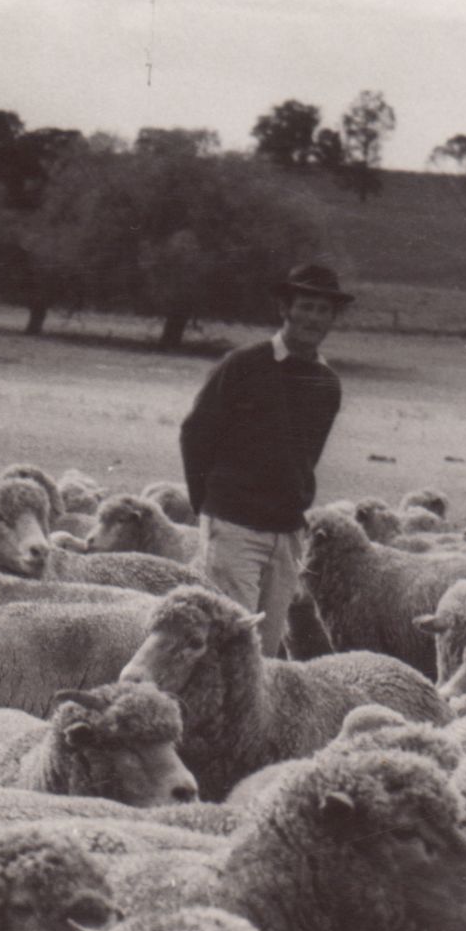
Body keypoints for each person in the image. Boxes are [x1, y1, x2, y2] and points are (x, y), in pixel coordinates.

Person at [178, 262, 349, 657]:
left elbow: (307, 455)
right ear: (285, 308)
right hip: (234, 525)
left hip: (287, 532)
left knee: (267, 650)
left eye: (324, 310)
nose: (314, 318)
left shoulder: (327, 384)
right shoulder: (243, 365)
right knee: (230, 642)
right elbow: (196, 432)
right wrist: (209, 505)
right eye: (306, 306)